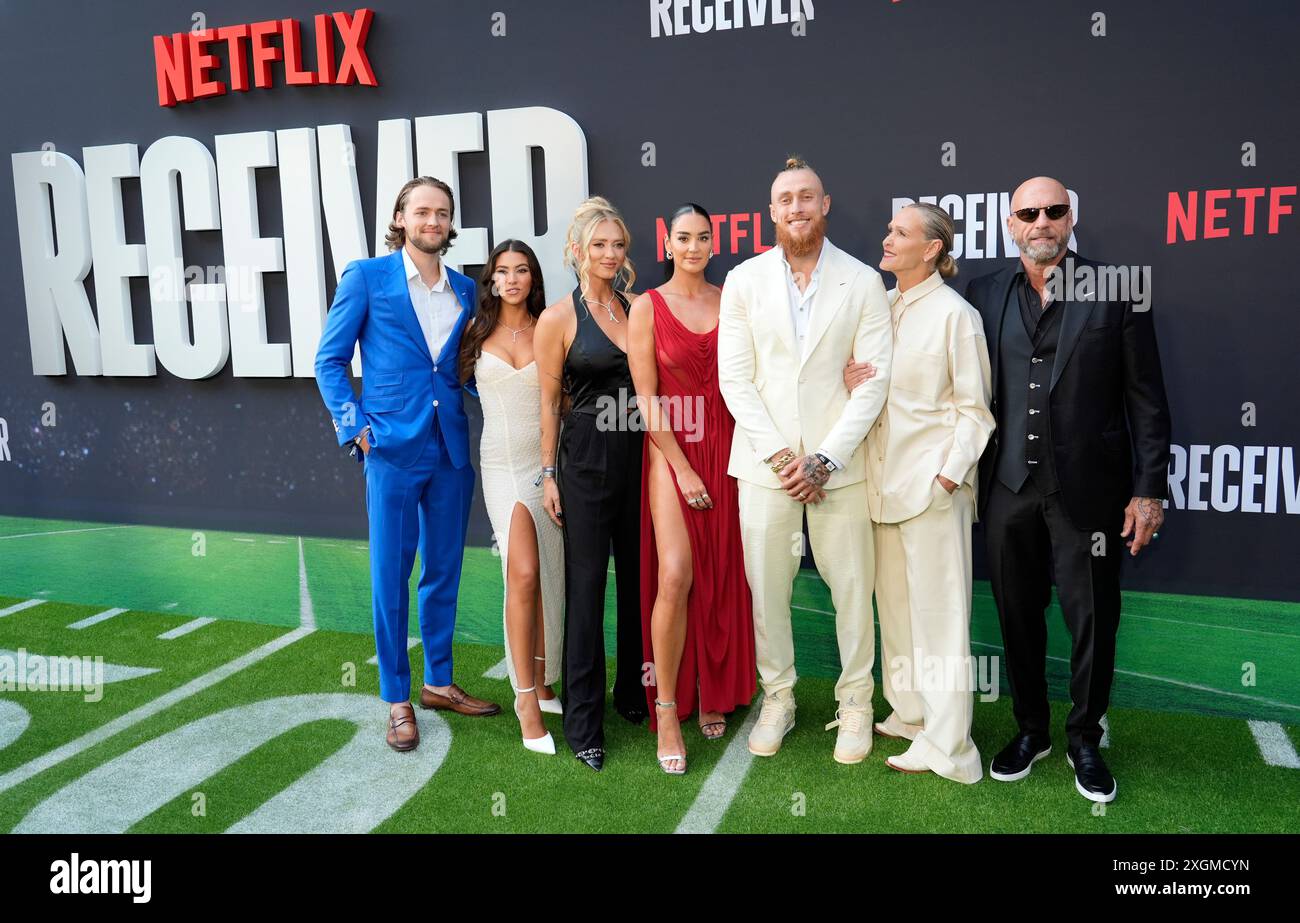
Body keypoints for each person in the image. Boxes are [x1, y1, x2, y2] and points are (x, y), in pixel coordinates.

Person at [963, 176, 1171, 803]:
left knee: (1093, 618)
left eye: (1054, 211)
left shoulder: (1117, 289)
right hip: (1007, 487)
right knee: (1017, 616)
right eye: (1029, 212)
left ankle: (1084, 736)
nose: (1042, 222)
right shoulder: (984, 291)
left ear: (1071, 216)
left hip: (1089, 489)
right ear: (1010, 223)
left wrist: (1148, 490)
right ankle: (1032, 730)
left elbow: (1146, 398)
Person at [315, 175, 501, 753]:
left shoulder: (467, 290)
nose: (433, 222)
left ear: (450, 224)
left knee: (443, 570)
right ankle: (396, 698)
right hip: (391, 448)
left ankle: (439, 682)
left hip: (450, 447)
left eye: (442, 213)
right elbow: (329, 360)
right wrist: (357, 428)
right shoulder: (366, 277)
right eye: (422, 212)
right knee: (391, 575)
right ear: (400, 218)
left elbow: (463, 369)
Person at [717, 157, 893, 764]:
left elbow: (872, 382)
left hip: (839, 470)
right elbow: (735, 380)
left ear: (826, 205)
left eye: (807, 197)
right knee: (767, 591)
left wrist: (823, 459)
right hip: (765, 470)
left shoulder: (864, 280)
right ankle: (779, 698)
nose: (796, 207)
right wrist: (783, 459)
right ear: (771, 212)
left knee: (852, 592)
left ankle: (857, 706)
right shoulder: (743, 280)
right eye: (785, 199)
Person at [845, 202, 994, 783]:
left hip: (932, 490)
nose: (888, 238)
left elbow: (975, 412)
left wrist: (948, 477)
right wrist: (849, 377)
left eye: (901, 232)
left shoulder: (957, 316)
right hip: (879, 487)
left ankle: (951, 747)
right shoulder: (879, 307)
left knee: (940, 618)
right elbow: (861, 384)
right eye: (889, 228)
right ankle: (909, 714)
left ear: (932, 248)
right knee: (898, 613)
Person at [628, 203, 757, 775]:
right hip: (670, 449)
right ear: (668, 242)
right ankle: (666, 708)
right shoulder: (646, 307)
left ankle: (714, 691)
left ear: (714, 243)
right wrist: (679, 466)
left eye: (703, 237)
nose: (694, 247)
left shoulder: (733, 297)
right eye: (684, 237)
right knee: (677, 573)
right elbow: (647, 400)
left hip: (730, 449)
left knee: (723, 570)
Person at [534, 196, 647, 772]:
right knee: (586, 590)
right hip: (583, 459)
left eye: (618, 245)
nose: (610, 254)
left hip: (638, 452)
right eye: (599, 244)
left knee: (637, 579)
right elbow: (548, 404)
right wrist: (549, 473)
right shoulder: (558, 318)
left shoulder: (637, 308)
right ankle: (583, 724)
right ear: (577, 252)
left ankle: (633, 694)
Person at [459, 239, 563, 755]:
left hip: (548, 467)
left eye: (523, 270)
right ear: (492, 280)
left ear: (533, 278)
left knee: (547, 573)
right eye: (503, 271)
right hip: (500, 467)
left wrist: (556, 468)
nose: (514, 279)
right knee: (521, 573)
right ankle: (525, 699)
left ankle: (544, 682)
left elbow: (564, 398)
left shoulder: (550, 327)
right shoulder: (474, 333)